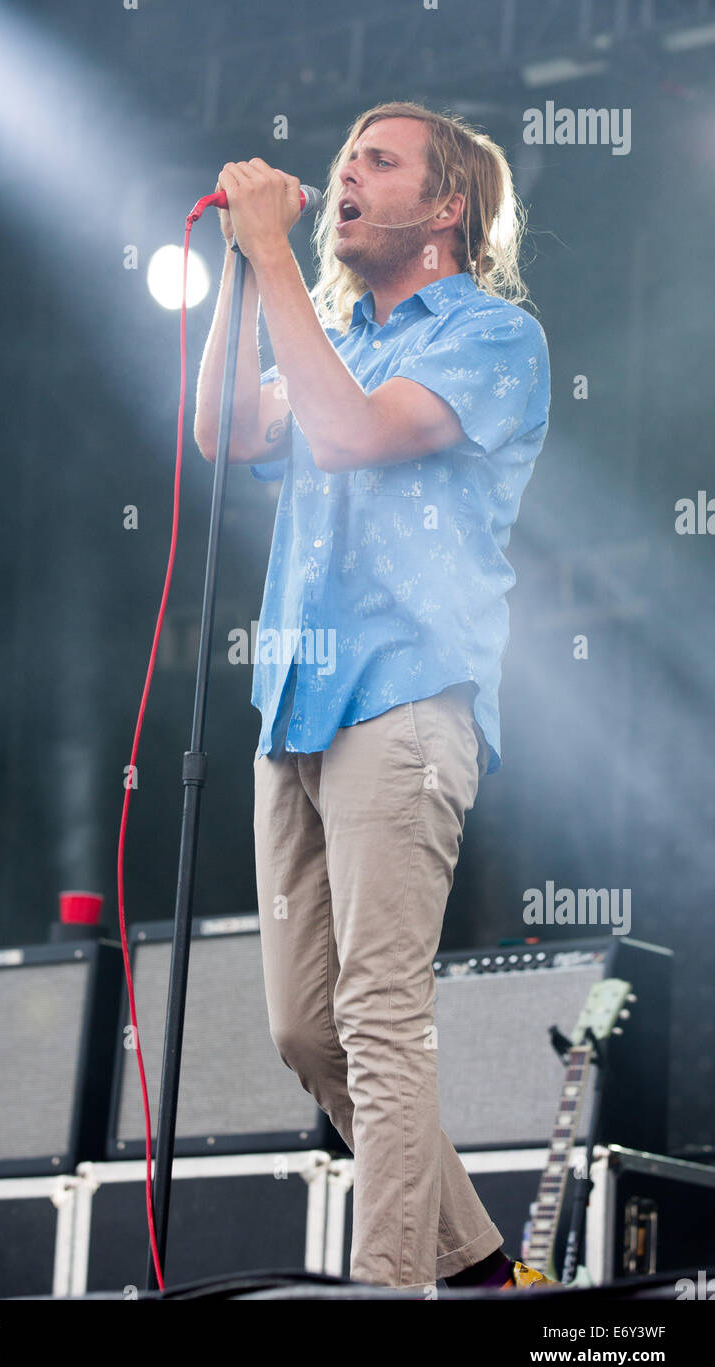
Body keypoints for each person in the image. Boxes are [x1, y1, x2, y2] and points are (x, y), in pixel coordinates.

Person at [194, 101, 553, 1295]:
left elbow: (344, 437)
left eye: (375, 163)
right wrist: (248, 277)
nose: (344, 175)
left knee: (379, 1015)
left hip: (403, 701)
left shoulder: (491, 337)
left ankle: (394, 1287)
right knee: (306, 1031)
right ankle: (483, 1274)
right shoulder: (331, 339)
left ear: (443, 208)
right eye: (342, 160)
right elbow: (223, 427)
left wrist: (269, 257)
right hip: (293, 707)